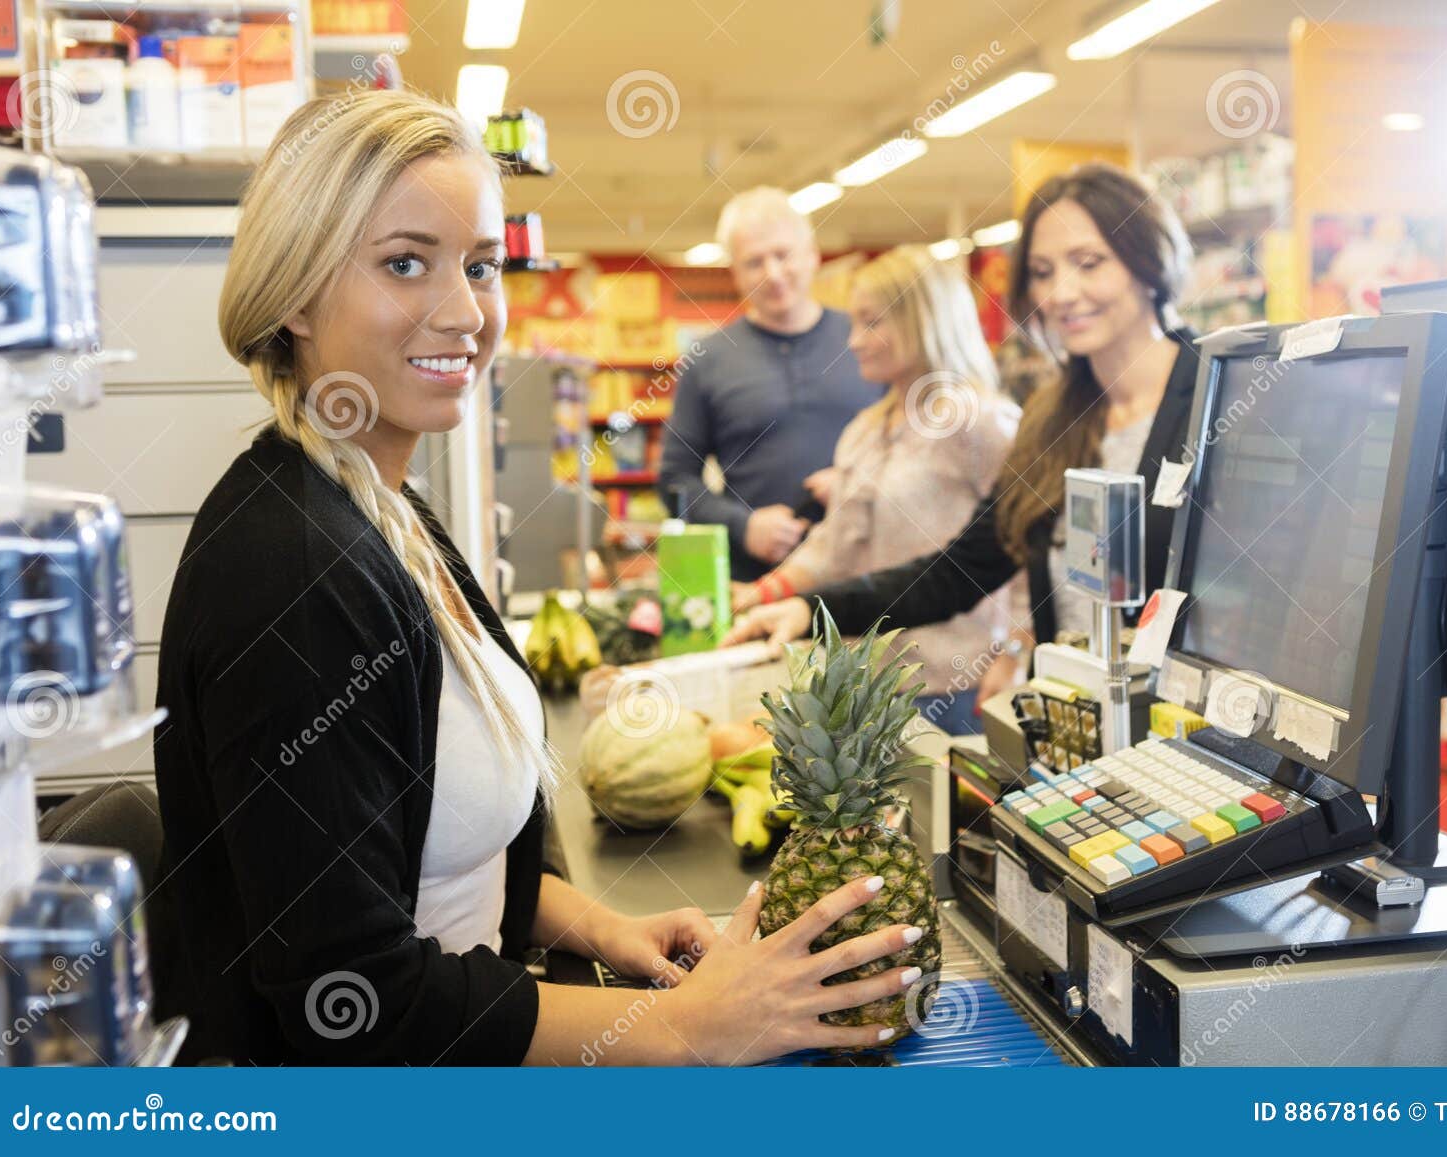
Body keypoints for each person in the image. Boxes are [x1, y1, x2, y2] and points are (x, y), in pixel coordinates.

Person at [149, 90, 921, 1067]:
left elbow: (430, 852)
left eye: (481, 264)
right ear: (296, 294)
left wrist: (597, 928)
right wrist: (680, 1026)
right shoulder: (296, 572)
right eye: (403, 262)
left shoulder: (380, 505)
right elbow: (347, 999)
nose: (467, 310)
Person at [725, 163, 1199, 709]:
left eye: (1089, 263)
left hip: (1190, 730)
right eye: (1043, 272)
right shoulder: (1054, 420)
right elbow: (962, 569)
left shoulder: (1215, 397)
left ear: (1150, 260)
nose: (1062, 293)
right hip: (1078, 722)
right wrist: (813, 609)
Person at [731, 246, 1021, 735]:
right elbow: (834, 543)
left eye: (871, 323)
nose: (854, 341)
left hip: (958, 682)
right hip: (872, 679)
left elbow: (1024, 542)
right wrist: (764, 594)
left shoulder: (981, 422)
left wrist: (1017, 650)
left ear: (921, 319)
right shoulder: (865, 429)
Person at [658, 187, 875, 581]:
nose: (772, 274)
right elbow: (675, 482)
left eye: (783, 254)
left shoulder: (867, 341)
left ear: (812, 255)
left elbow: (921, 449)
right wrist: (742, 526)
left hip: (869, 580)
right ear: (735, 274)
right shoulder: (708, 360)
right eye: (754, 262)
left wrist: (859, 483)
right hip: (757, 587)